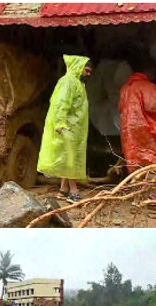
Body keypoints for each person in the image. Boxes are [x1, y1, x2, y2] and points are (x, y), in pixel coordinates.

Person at [37, 55, 91, 204]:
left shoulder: (77, 83)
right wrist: (60, 124)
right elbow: (60, 104)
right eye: (87, 67)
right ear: (78, 66)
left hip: (74, 128)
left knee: (68, 158)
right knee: (70, 159)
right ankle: (74, 191)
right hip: (67, 128)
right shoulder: (68, 82)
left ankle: (63, 191)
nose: (89, 70)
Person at [119, 69, 156, 173]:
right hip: (143, 126)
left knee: (134, 156)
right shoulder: (148, 86)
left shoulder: (125, 87)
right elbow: (152, 106)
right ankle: (152, 181)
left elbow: (120, 107)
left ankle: (137, 180)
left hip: (127, 127)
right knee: (151, 157)